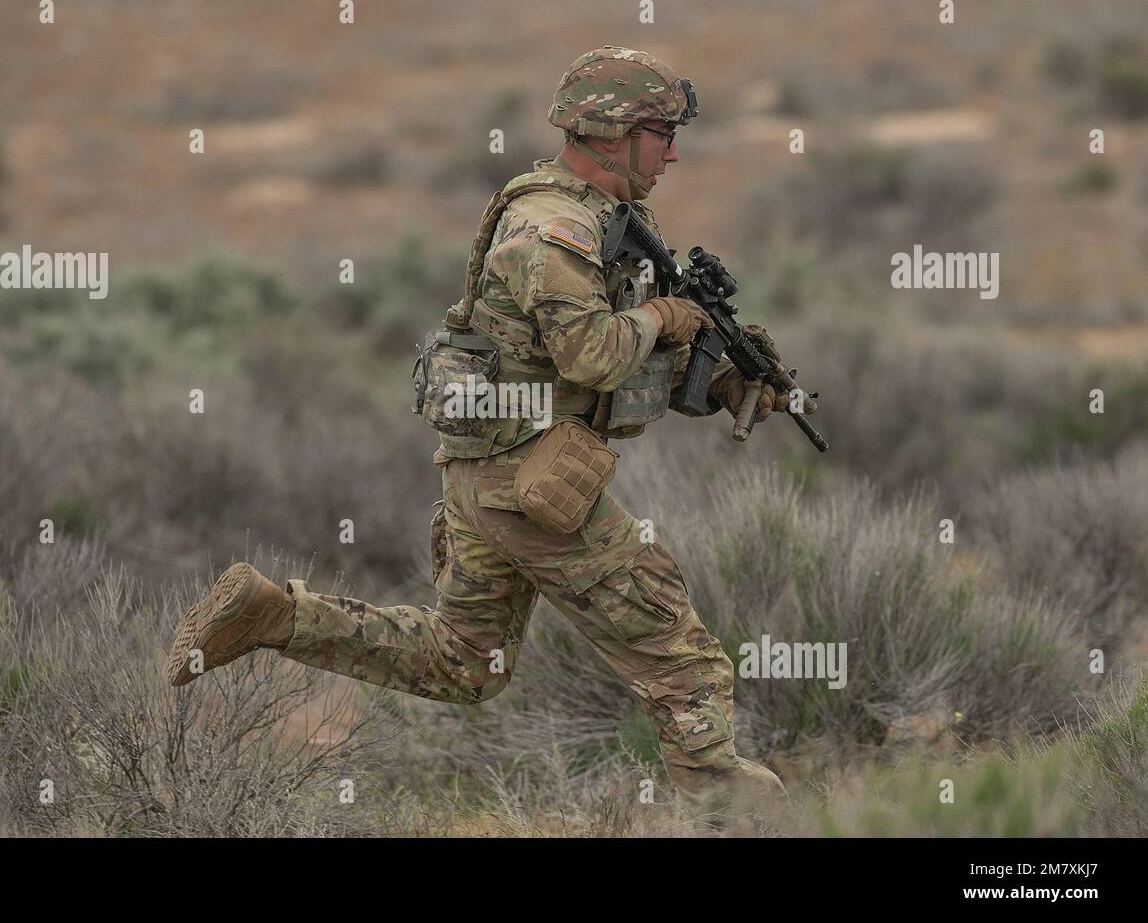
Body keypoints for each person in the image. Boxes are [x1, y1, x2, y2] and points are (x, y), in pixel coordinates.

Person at [167, 46, 811, 826]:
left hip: (494, 476)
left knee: (466, 663)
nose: (673, 154)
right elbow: (594, 354)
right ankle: (730, 814)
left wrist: (722, 380)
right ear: (613, 133)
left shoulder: (608, 220)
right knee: (681, 656)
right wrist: (663, 316)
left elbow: (613, 365)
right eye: (662, 134)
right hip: (527, 483)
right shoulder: (554, 229)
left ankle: (275, 616)